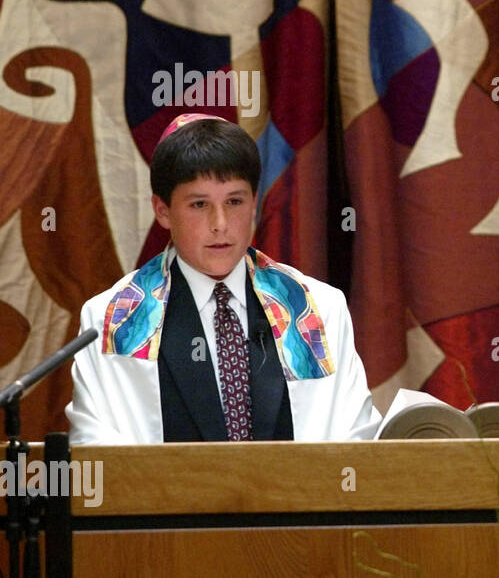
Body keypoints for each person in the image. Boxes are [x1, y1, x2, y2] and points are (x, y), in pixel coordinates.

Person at [67, 114, 380, 443]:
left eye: (234, 201)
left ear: (254, 203)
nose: (220, 223)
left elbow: (356, 439)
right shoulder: (113, 319)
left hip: (297, 494)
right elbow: (97, 451)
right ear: (163, 210)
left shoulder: (315, 308)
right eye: (199, 204)